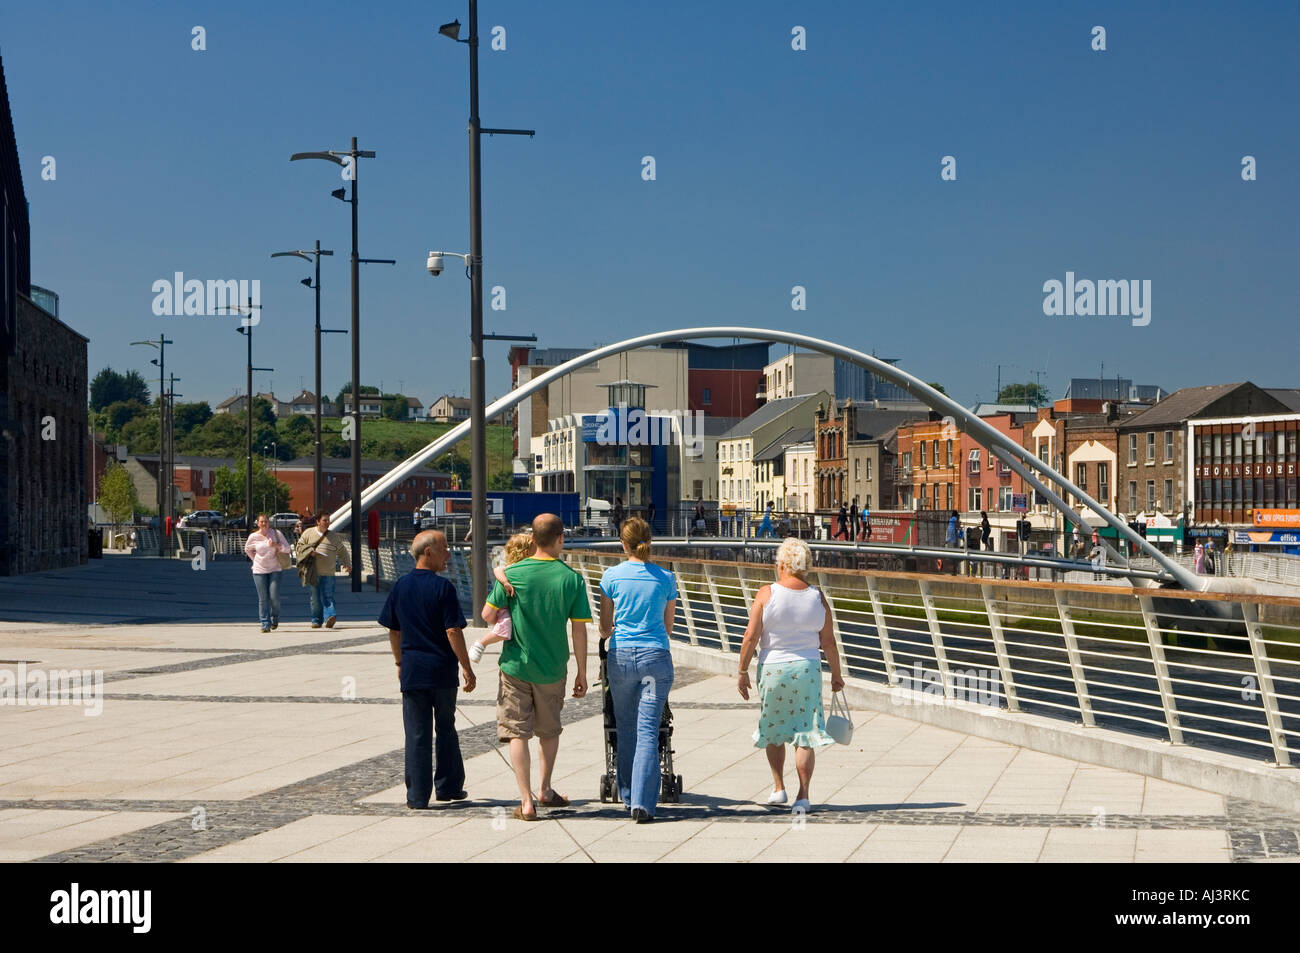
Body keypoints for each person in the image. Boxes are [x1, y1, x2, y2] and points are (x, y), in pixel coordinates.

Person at [482, 513, 591, 821]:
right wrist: (582, 671)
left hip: (516, 665)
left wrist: (501, 580)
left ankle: (525, 801)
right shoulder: (571, 579)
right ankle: (545, 788)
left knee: (517, 733)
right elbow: (579, 629)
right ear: (560, 539)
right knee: (549, 730)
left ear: (532, 540)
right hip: (553, 668)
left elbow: (488, 615)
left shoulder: (513, 574)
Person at [737, 537, 845, 814]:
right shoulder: (817, 597)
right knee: (805, 733)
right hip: (807, 669)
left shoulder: (766, 594)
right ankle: (804, 795)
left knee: (773, 727)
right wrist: (836, 674)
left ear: (783, 563)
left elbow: (751, 636)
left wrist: (742, 671)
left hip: (773, 669)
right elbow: (829, 642)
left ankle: (778, 787)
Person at [380, 530, 475, 808]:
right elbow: (453, 630)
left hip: (413, 671)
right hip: (442, 671)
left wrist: (399, 662)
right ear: (428, 552)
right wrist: (466, 667)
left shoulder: (400, 586)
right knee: (446, 727)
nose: (449, 553)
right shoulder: (443, 588)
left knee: (417, 733)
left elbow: (394, 631)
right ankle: (448, 787)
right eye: (444, 548)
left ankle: (417, 796)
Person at [598, 517, 677, 822]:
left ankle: (629, 797)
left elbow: (605, 627)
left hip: (621, 658)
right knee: (648, 730)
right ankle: (644, 803)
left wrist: (613, 630)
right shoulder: (666, 579)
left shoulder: (611, 577)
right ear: (650, 541)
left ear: (623, 543)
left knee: (626, 728)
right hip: (655, 658)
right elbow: (668, 627)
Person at [469, 531, 535, 662]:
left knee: (505, 628)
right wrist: (505, 582)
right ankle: (480, 644)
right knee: (505, 628)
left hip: (507, 608)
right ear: (525, 551)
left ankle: (481, 644)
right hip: (505, 609)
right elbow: (497, 570)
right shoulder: (512, 569)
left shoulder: (515, 569)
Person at [295, 511, 351, 629]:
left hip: (329, 572)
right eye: (325, 520)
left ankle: (330, 617)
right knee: (315, 598)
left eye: (328, 520)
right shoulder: (308, 533)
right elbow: (299, 547)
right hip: (312, 572)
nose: (327, 523)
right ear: (318, 521)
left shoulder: (333, 537)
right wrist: (310, 552)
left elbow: (342, 551)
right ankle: (316, 620)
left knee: (328, 596)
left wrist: (347, 563)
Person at [245, 513, 292, 633]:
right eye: (261, 522)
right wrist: (255, 559)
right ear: (257, 523)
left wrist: (276, 545)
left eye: (266, 521)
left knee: (274, 597)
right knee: (263, 598)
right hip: (259, 570)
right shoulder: (253, 537)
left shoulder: (276, 534)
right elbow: (248, 549)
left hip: (275, 568)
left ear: (269, 522)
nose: (264, 524)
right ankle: (265, 623)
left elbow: (288, 549)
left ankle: (274, 618)